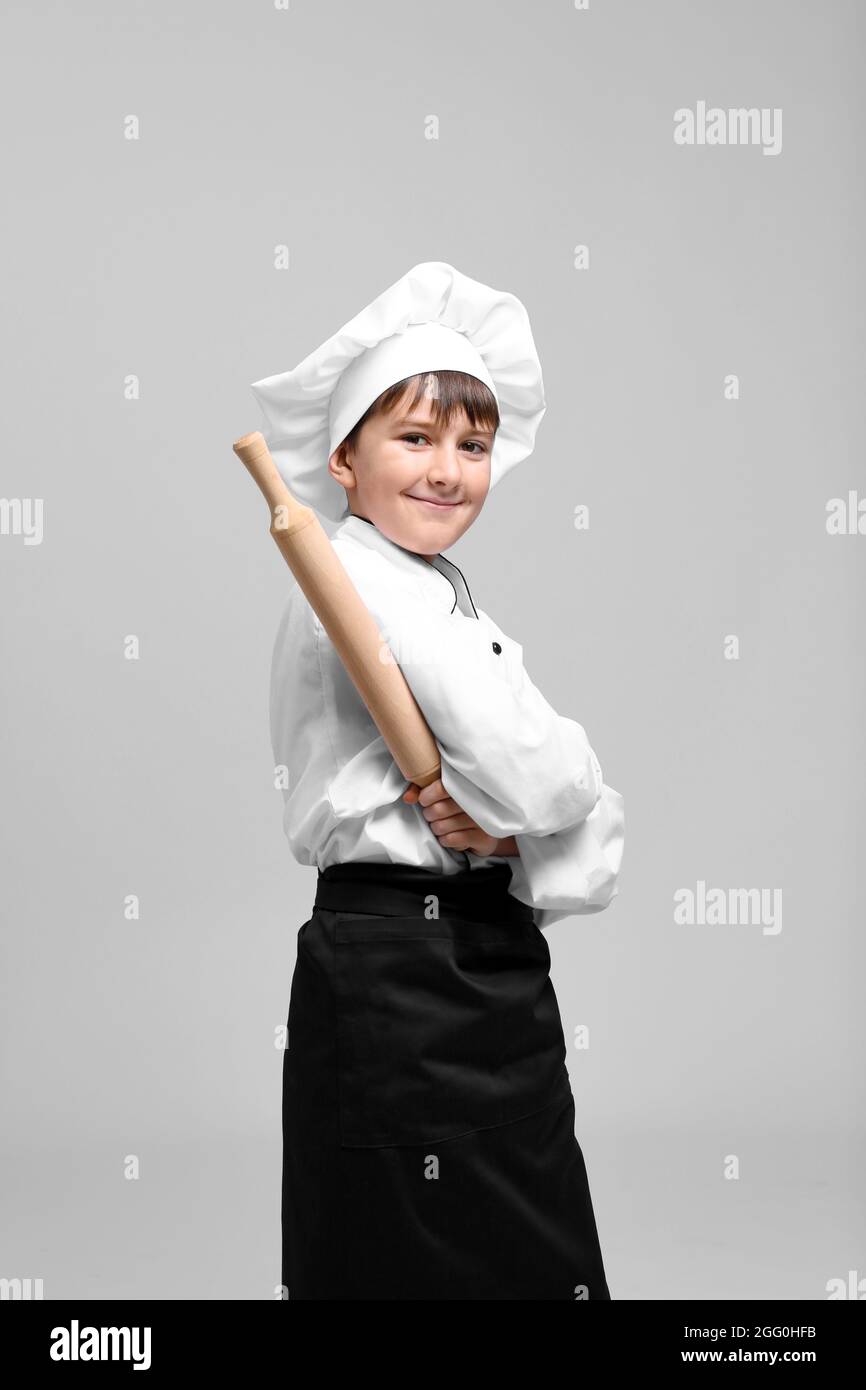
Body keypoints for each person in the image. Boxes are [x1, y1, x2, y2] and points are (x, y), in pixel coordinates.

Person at [250, 261, 625, 1300]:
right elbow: (542, 774)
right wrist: (549, 809)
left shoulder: (426, 591)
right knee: (433, 1250)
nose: (449, 470)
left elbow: (533, 805)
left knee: (455, 1242)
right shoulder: (363, 585)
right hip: (411, 973)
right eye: (414, 438)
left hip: (449, 959)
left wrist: (511, 834)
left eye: (473, 445)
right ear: (343, 457)